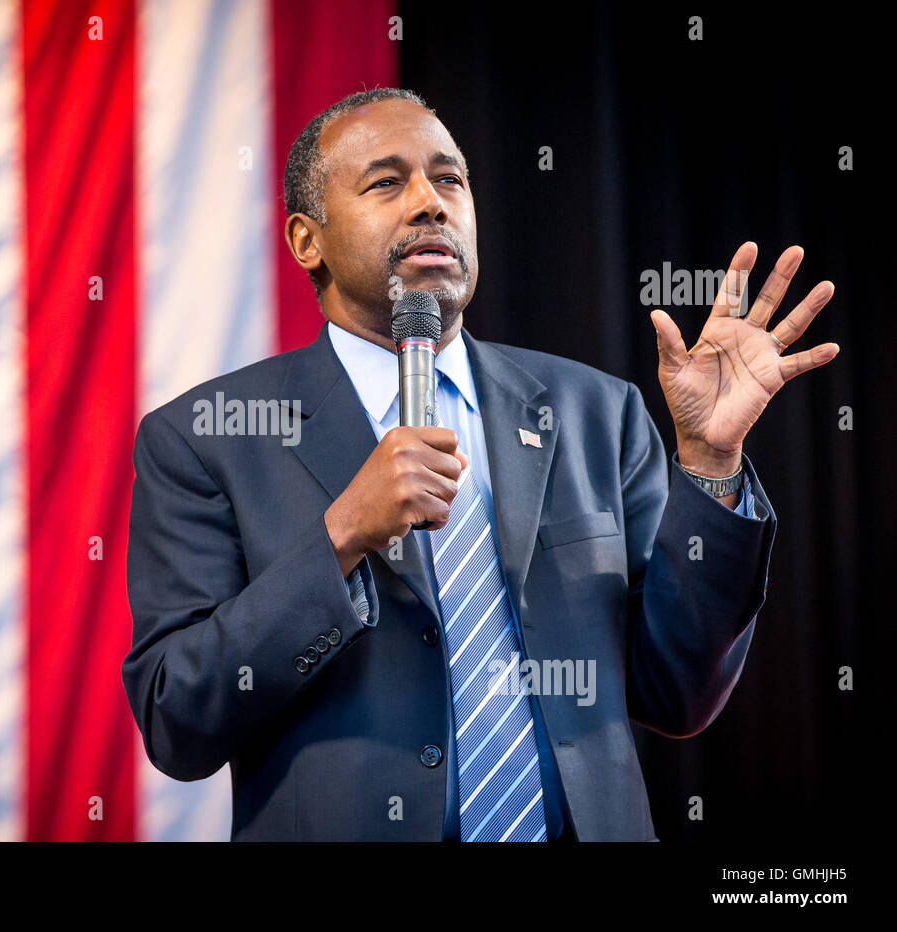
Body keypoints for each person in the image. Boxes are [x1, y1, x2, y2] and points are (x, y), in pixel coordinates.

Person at [121, 88, 839, 841]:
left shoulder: (597, 411)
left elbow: (679, 693)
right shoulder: (204, 440)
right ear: (309, 240)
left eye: (450, 179)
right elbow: (178, 720)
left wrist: (710, 462)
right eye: (387, 181)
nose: (430, 203)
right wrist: (340, 538)